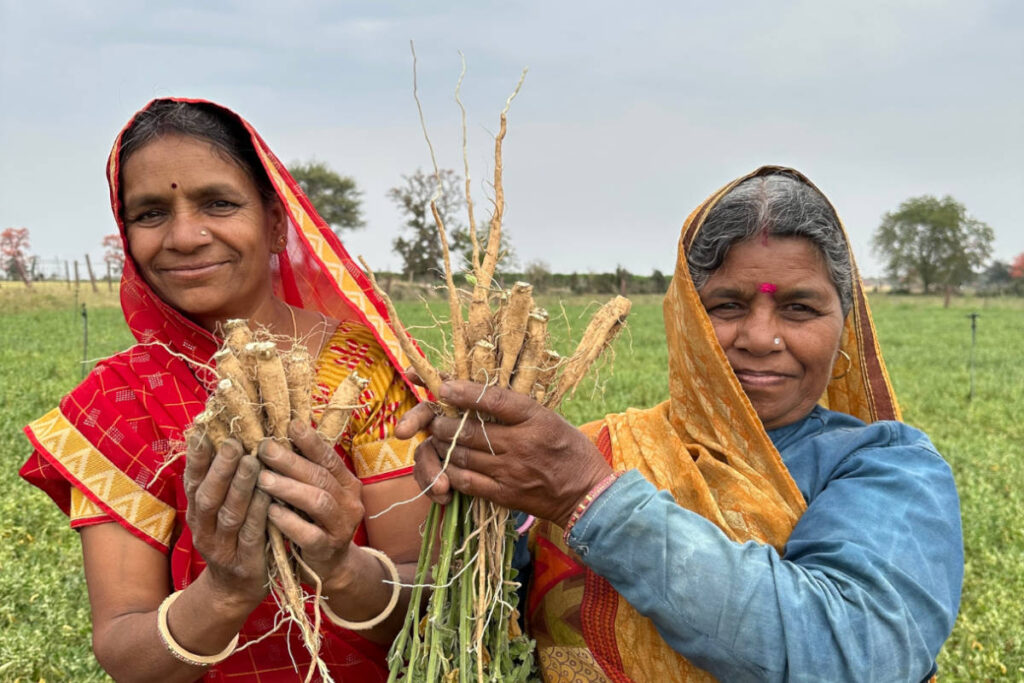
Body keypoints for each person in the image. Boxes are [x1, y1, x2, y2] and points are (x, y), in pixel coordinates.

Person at [399, 167, 964, 682]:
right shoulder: (597, 449)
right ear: (687, 319)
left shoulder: (890, 469)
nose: (761, 337)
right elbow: (477, 618)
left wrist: (588, 497)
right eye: (727, 306)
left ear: (845, 327)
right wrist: (351, 567)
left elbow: (856, 656)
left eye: (799, 308)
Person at [20, 98, 431, 682]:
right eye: (151, 213)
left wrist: (342, 568)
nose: (185, 237)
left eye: (218, 203)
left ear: (274, 222)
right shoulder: (119, 401)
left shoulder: (362, 371)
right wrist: (223, 591)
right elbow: (126, 653)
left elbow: (432, 599)